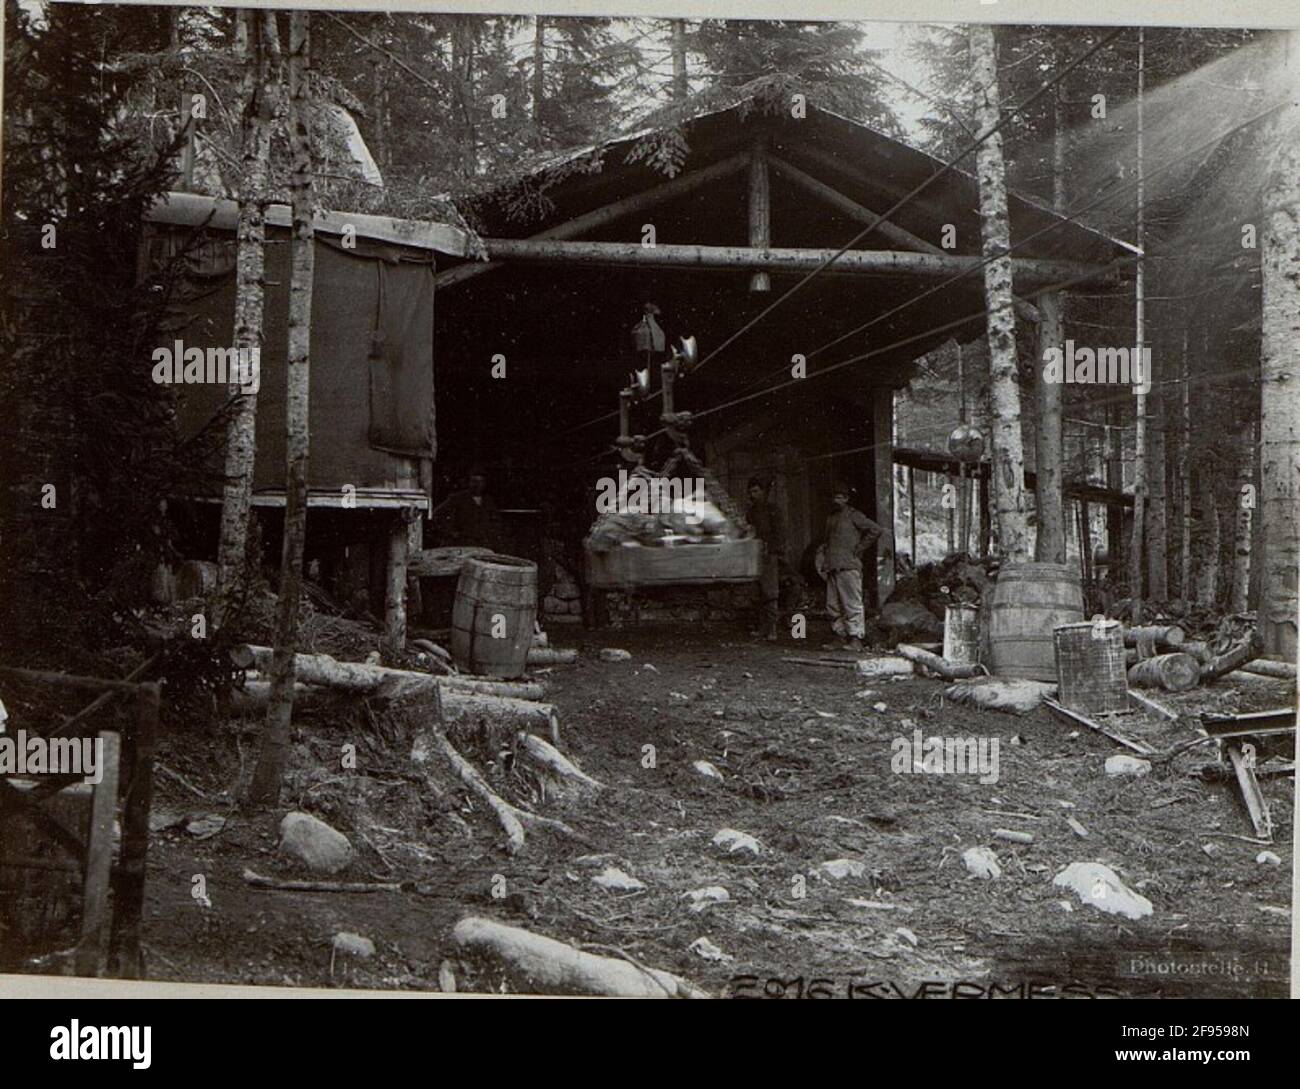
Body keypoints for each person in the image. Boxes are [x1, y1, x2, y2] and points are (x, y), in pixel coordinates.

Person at [822, 481, 887, 652]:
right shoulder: (831, 517)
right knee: (833, 606)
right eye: (835, 497)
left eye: (841, 497)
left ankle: (856, 638)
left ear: (846, 499)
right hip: (832, 567)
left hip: (849, 567)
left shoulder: (854, 515)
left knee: (852, 604)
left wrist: (859, 549)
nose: (837, 500)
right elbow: (828, 542)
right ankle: (839, 636)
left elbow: (875, 529)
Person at [746, 476, 786, 641]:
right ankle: (762, 627)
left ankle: (772, 629)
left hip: (768, 555)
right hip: (754, 555)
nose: (753, 495)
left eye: (756, 491)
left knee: (770, 593)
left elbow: (780, 534)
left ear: (763, 492)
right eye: (751, 492)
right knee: (756, 593)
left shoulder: (773, 510)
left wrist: (772, 549)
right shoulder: (751, 512)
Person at [432, 465, 503, 551]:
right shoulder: (457, 498)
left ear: (485, 483)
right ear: (469, 482)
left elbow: (496, 521)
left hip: (483, 545)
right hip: (463, 544)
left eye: (480, 481)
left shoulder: (488, 501)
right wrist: (451, 532)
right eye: (474, 481)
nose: (477, 485)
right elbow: (437, 514)